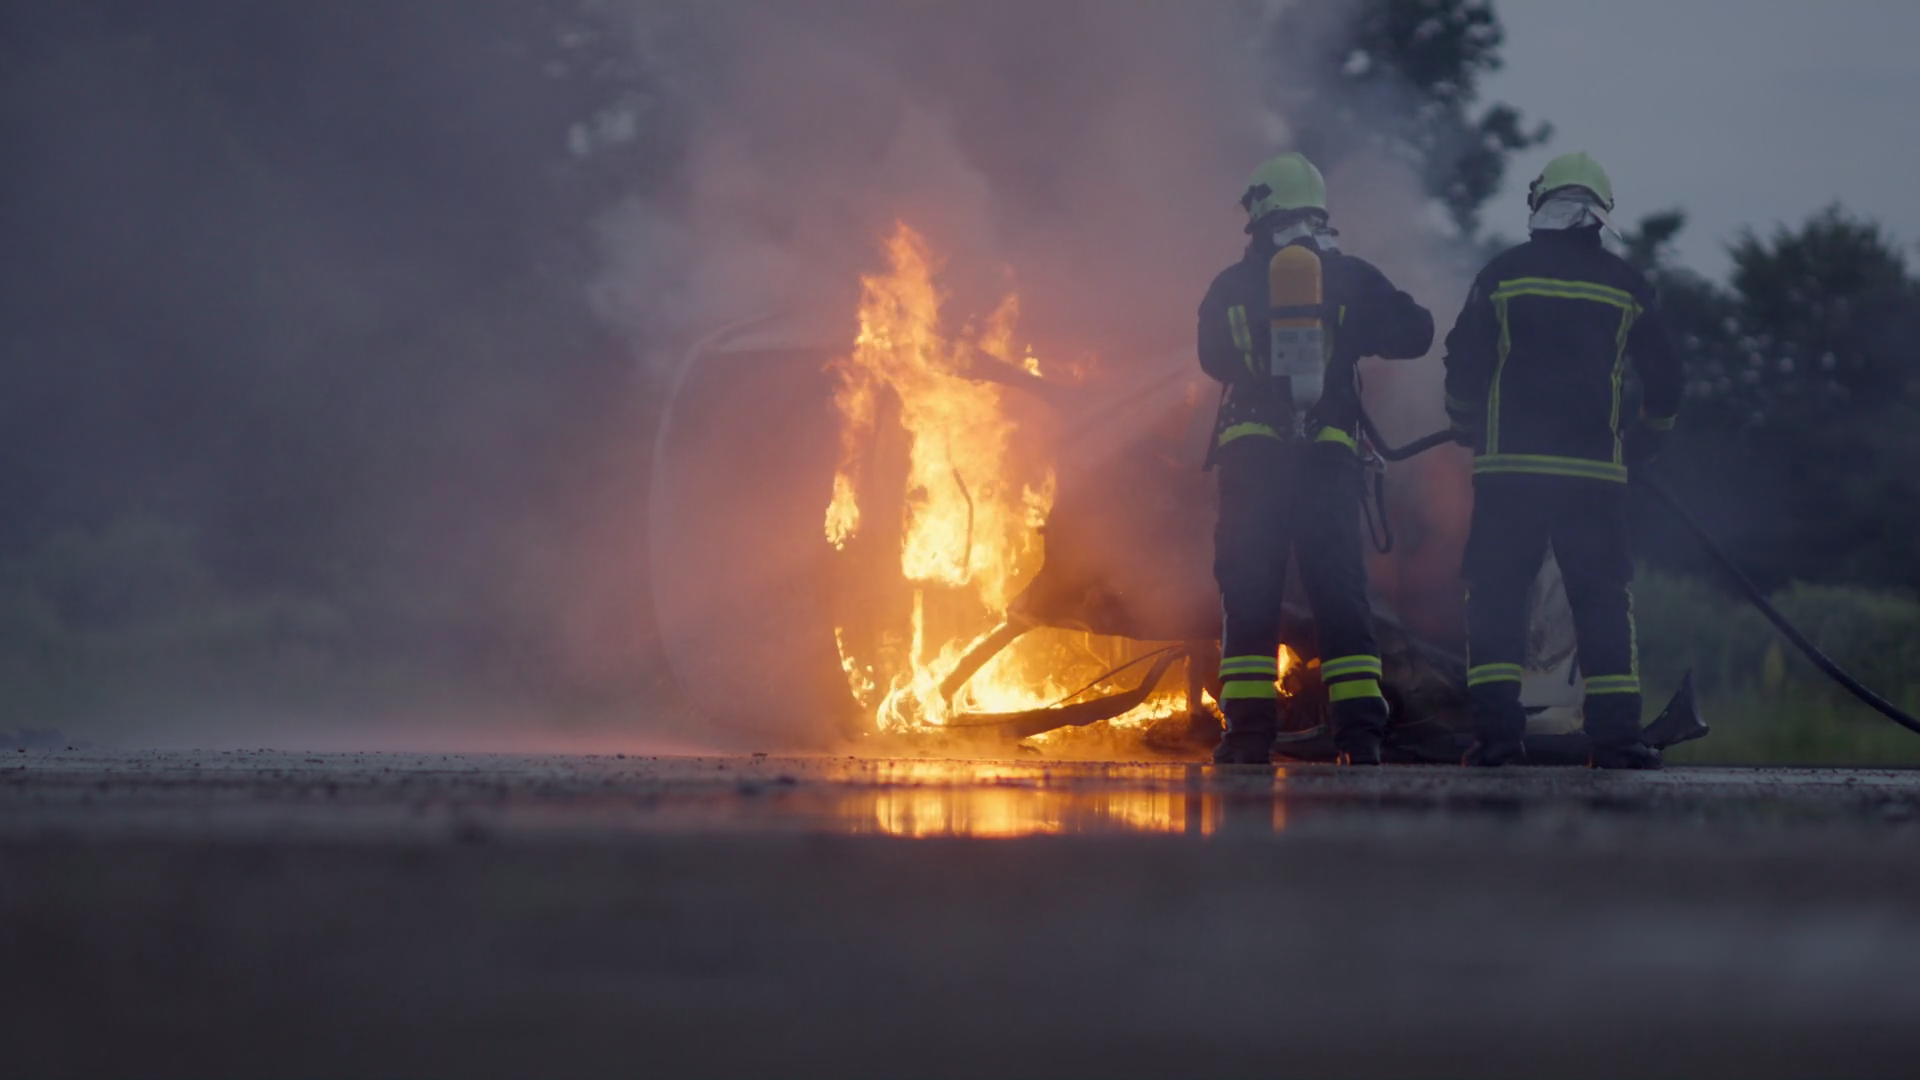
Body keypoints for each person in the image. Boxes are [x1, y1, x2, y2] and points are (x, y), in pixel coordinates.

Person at [1441, 151, 1681, 769]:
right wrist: (1648, 438)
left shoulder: (1502, 273)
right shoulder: (1627, 285)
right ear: (1599, 218)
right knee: (1600, 600)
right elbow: (1667, 376)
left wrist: (1467, 425)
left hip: (1509, 472)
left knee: (1497, 595)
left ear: (1538, 206)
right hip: (1592, 475)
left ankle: (1495, 740)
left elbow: (1463, 361)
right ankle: (1618, 739)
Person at [1198, 152, 1434, 765]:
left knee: (1250, 592)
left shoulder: (1230, 284)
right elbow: (1417, 333)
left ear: (1259, 212)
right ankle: (1360, 735)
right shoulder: (1350, 276)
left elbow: (1212, 359)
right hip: (1326, 460)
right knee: (1339, 592)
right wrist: (1352, 325)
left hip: (1251, 462)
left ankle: (1247, 736)